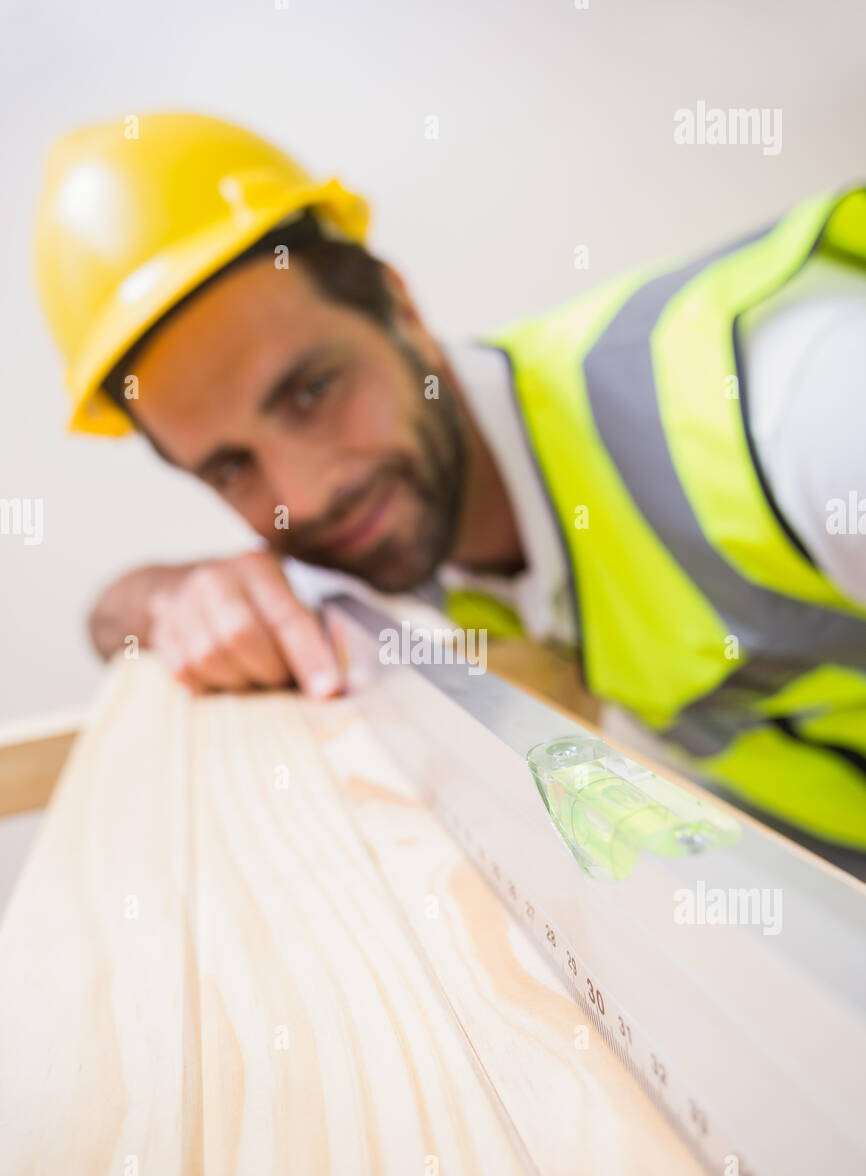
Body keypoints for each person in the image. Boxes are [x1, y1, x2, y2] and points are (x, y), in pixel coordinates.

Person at [35, 113, 866, 875]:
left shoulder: (802, 411)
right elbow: (113, 615)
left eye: (312, 391)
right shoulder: (381, 527)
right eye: (229, 468)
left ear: (401, 309)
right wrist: (180, 600)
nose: (307, 494)